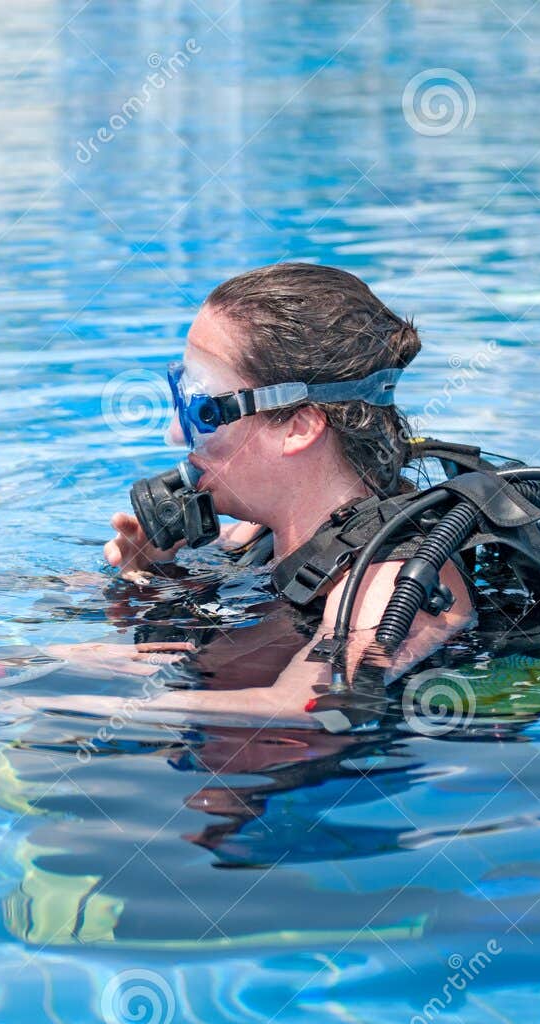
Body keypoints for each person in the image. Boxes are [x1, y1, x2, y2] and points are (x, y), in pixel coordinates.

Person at [46, 263, 478, 723]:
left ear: (298, 427)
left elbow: (306, 710)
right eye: (181, 397)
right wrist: (145, 573)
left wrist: (55, 704)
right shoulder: (257, 537)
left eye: (204, 409)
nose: (175, 433)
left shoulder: (389, 582)